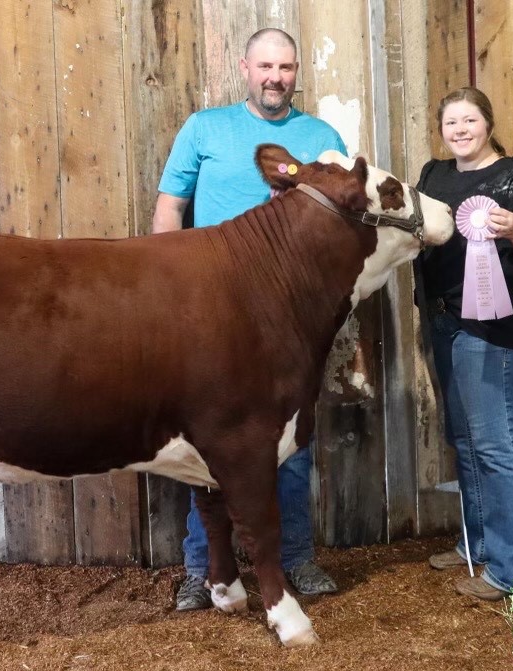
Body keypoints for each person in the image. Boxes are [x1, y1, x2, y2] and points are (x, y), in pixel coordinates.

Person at [152, 27, 345, 611]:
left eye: (285, 68)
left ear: (296, 72)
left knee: (291, 439)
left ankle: (295, 558)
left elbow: (343, 218)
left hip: (291, 316)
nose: (275, 78)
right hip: (213, 312)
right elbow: (171, 207)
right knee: (203, 437)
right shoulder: (204, 128)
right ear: (244, 67)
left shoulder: (321, 137)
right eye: (265, 66)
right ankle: (200, 567)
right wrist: (166, 287)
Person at [415, 87, 513, 601]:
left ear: (488, 123)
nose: (459, 130)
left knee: (495, 443)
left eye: (469, 121)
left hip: (495, 330)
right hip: (442, 322)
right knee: (466, 440)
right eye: (451, 122)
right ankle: (477, 543)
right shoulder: (432, 177)